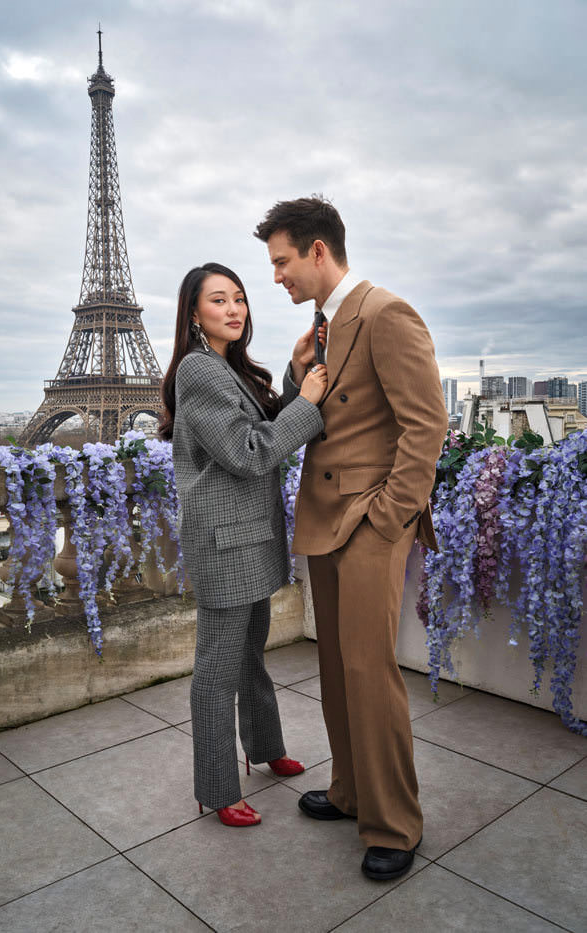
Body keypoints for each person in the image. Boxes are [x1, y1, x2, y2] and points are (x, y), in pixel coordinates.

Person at [254, 197, 448, 878]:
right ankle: (349, 789)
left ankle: (395, 821)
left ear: (316, 250)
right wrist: (297, 365)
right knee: (336, 668)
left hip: (369, 517)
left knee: (369, 669)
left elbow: (426, 425)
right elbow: (309, 415)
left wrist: (389, 514)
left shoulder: (386, 314)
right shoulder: (322, 328)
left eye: (280, 261)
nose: (274, 276)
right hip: (324, 515)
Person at [159, 261, 328, 827]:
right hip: (227, 546)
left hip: (249, 539)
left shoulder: (226, 368)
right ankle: (216, 787)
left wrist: (295, 370)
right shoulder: (198, 372)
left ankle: (264, 746)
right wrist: (308, 400)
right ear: (194, 313)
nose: (234, 309)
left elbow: (262, 421)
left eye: (239, 298)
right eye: (218, 301)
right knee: (217, 670)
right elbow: (249, 452)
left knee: (251, 654)